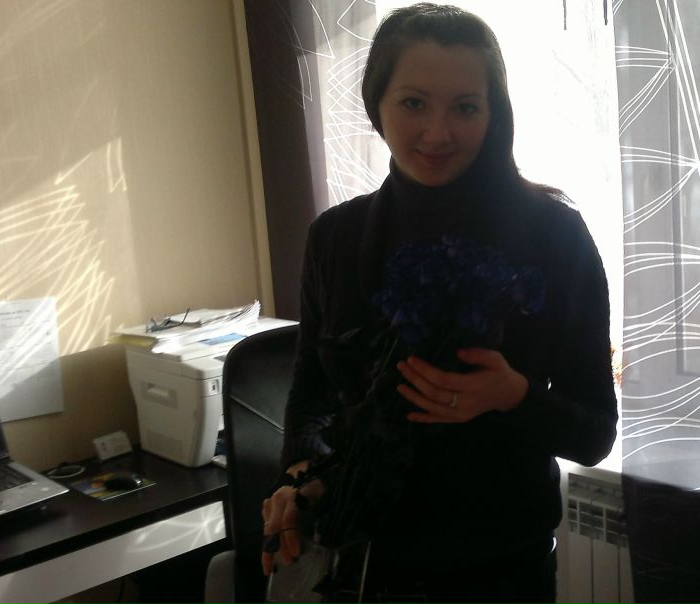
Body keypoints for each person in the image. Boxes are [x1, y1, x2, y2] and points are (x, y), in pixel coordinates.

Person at [261, 3, 617, 602]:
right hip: (360, 567)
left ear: (494, 112)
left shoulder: (554, 236)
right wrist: (298, 477)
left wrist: (513, 395)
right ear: (377, 104)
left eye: (465, 108)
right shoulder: (336, 238)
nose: (437, 133)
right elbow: (314, 395)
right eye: (413, 103)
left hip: (500, 575)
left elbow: (595, 434)